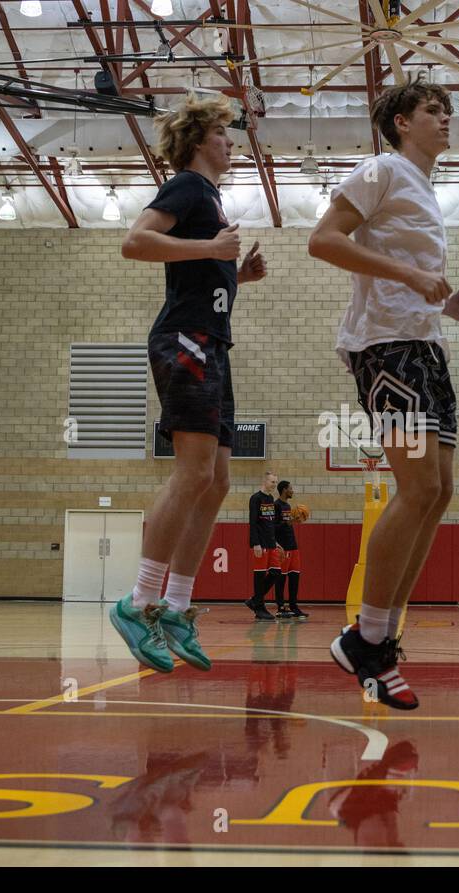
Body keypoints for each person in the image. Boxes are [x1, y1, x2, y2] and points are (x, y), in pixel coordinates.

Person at [309, 75, 459, 710]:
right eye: (432, 111)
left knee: (438, 490)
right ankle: (369, 636)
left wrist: (447, 306)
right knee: (415, 488)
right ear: (401, 122)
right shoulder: (382, 168)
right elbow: (322, 241)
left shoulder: (426, 190)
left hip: (425, 344)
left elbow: (413, 281)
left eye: (447, 112)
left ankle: (381, 637)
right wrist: (411, 274)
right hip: (386, 348)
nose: (445, 120)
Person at [109, 93, 268, 672]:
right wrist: (211, 247)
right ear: (202, 139)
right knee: (194, 470)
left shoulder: (211, 200)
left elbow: (197, 275)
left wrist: (238, 274)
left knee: (220, 480)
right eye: (224, 134)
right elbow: (134, 242)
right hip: (187, 341)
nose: (231, 143)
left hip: (213, 342)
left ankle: (176, 604)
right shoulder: (188, 187)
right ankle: (139, 600)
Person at [245, 471, 281, 621]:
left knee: (276, 572)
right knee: (259, 575)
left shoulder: (271, 498)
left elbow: (270, 522)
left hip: (271, 543)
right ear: (265, 481)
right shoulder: (256, 498)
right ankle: (259, 607)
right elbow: (253, 522)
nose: (275, 485)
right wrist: (255, 543)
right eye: (272, 482)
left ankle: (255, 600)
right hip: (261, 543)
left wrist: (276, 542)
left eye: (276, 482)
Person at [272, 480, 308, 619]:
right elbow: (272, 527)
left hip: (293, 547)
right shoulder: (276, 505)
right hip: (283, 548)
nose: (293, 491)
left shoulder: (288, 505)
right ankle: (280, 607)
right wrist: (286, 523)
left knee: (294, 577)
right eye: (291, 488)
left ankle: (293, 606)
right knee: (281, 578)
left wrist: (293, 521)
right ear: (284, 490)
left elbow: (287, 524)